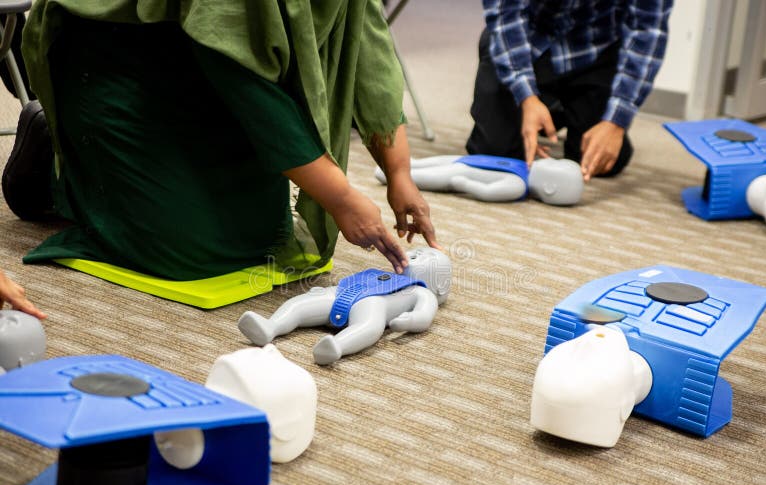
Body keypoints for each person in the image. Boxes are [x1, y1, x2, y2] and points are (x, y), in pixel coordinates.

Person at [2, 1, 439, 282]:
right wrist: (340, 198)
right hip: (117, 54)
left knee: (260, 246)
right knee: (189, 257)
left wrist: (400, 173)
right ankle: (57, 155)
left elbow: (367, 39)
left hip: (210, 61)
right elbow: (244, 83)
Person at [467, 0, 673, 181]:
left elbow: (648, 30)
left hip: (595, 48)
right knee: (494, 158)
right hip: (529, 43)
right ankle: (543, 106)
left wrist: (616, 122)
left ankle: (555, 111)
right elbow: (505, 15)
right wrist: (526, 96)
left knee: (601, 161)